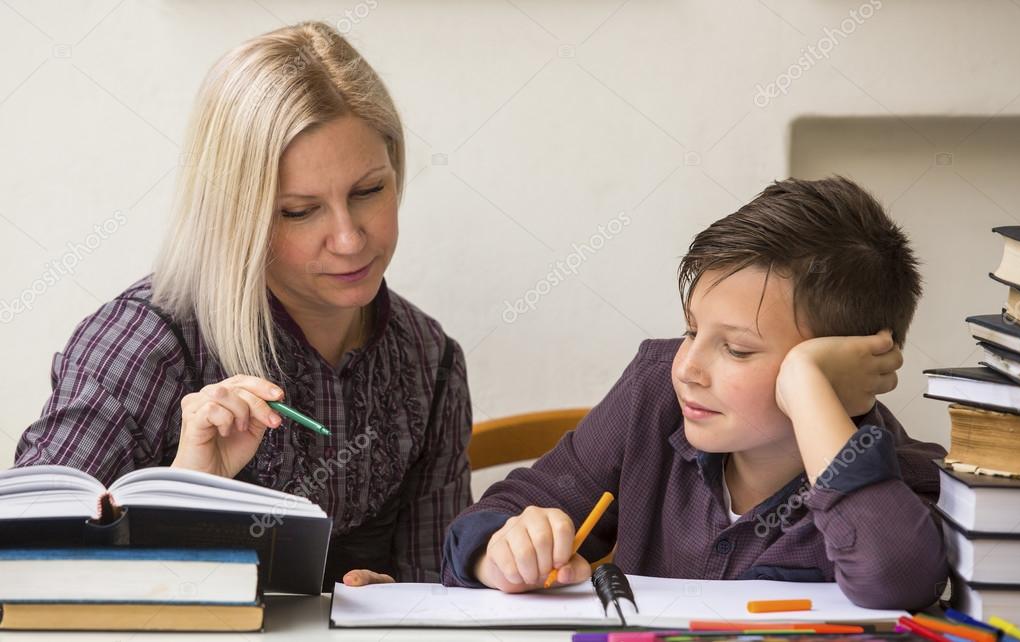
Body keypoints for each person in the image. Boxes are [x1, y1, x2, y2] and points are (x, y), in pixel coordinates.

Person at [14, 21, 471, 591]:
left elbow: (440, 592)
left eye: (368, 191)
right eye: (299, 211)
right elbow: (24, 564)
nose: (350, 239)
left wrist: (402, 609)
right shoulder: (142, 343)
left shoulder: (431, 360)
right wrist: (183, 488)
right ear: (238, 216)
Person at [441, 176, 947, 610]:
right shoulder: (653, 393)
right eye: (690, 331)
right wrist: (500, 551)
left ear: (843, 368)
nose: (687, 369)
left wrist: (807, 387)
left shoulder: (900, 482)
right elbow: (507, 509)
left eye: (738, 350)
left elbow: (896, 580)